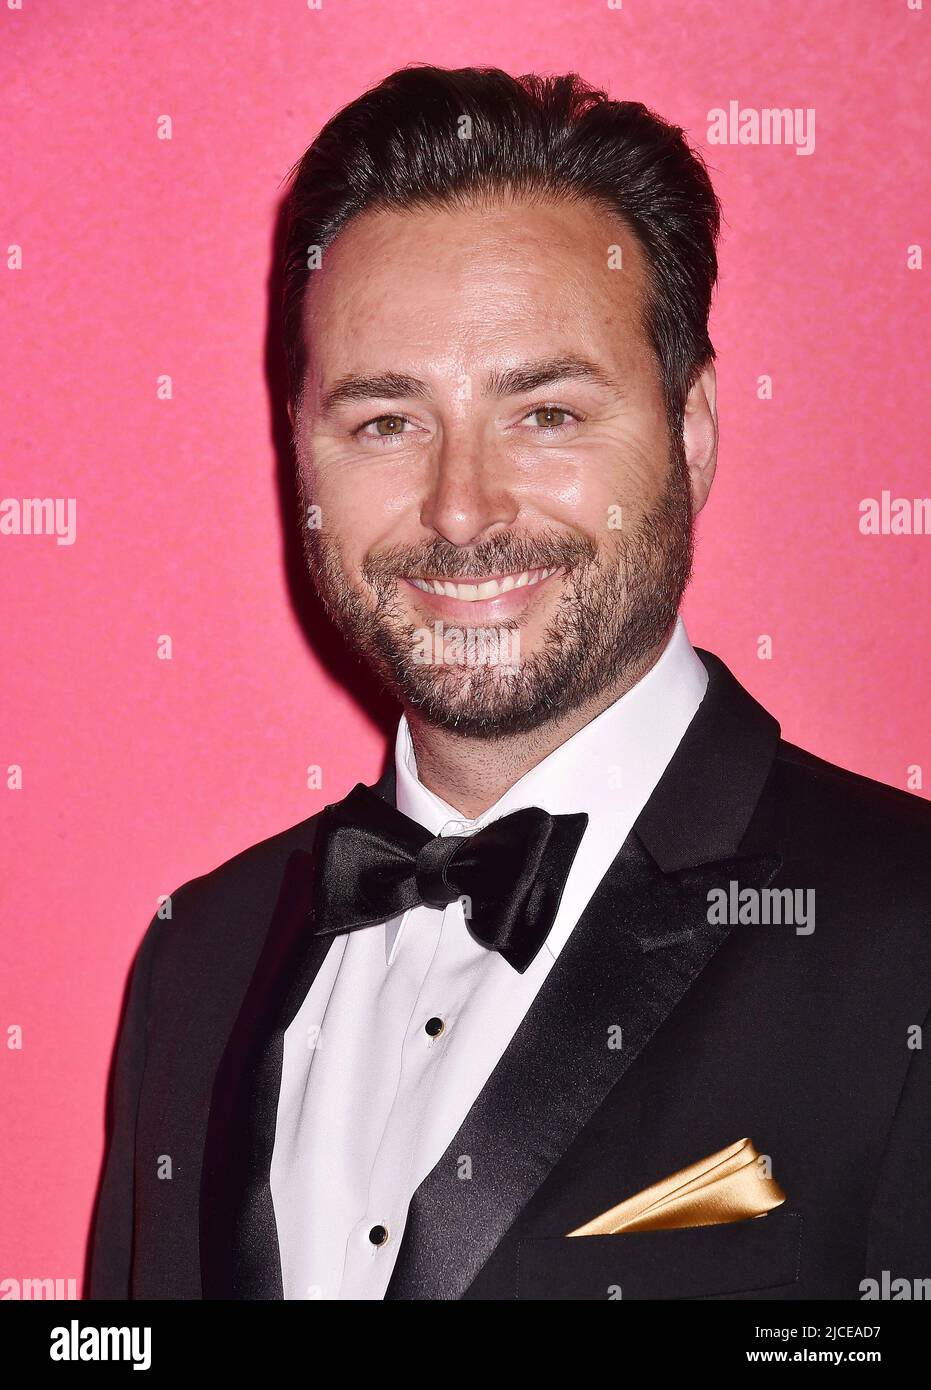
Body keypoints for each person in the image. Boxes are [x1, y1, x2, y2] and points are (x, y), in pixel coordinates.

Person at [89, 64, 931, 1301]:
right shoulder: (196, 954)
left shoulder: (902, 931)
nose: (461, 507)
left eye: (544, 413)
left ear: (690, 431)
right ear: (301, 453)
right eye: (387, 421)